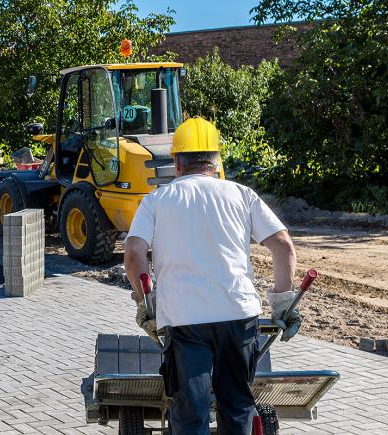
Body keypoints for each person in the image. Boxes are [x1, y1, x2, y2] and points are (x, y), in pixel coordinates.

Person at [123, 118, 300, 434]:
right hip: (238, 316)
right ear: (215, 161)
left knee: (191, 413)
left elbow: (135, 253)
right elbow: (283, 246)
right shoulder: (241, 194)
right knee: (237, 408)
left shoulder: (156, 200)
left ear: (177, 161)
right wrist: (283, 302)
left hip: (184, 318)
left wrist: (145, 301)